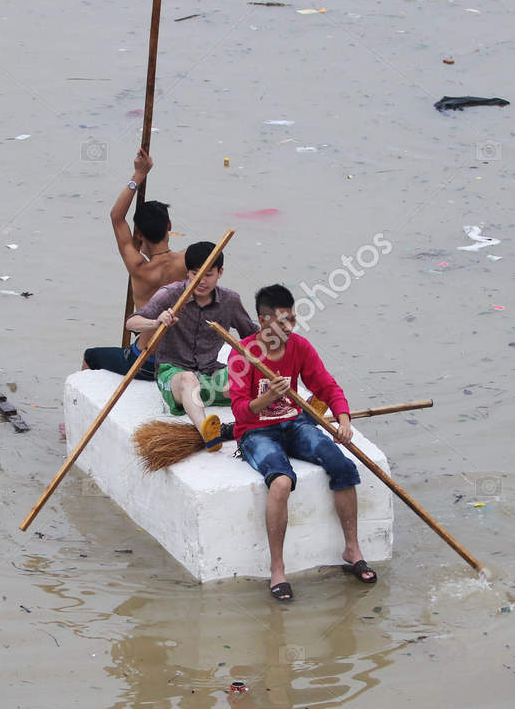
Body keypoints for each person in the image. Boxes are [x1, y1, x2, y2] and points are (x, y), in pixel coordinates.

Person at [228, 283, 376, 601]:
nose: (288, 327)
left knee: (342, 465)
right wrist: (266, 397)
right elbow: (240, 410)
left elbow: (325, 384)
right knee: (281, 481)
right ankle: (278, 570)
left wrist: (344, 419)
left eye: (292, 320)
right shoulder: (242, 354)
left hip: (296, 423)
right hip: (256, 431)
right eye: (281, 321)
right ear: (263, 321)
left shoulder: (300, 347)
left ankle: (352, 549)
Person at [126, 241, 256, 450]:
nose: (201, 281)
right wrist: (156, 323)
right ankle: (206, 431)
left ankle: (289, 414)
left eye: (208, 275)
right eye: (195, 274)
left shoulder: (230, 300)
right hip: (175, 375)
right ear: (188, 272)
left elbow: (252, 337)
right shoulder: (170, 294)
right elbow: (131, 323)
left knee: (253, 378)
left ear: (220, 272)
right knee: (188, 379)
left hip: (211, 376)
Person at [82, 148, 186, 381]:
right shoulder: (187, 261)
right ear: (169, 226)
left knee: (91, 356)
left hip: (146, 362)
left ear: (138, 234)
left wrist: (138, 175)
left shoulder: (138, 268)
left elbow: (117, 217)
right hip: (180, 359)